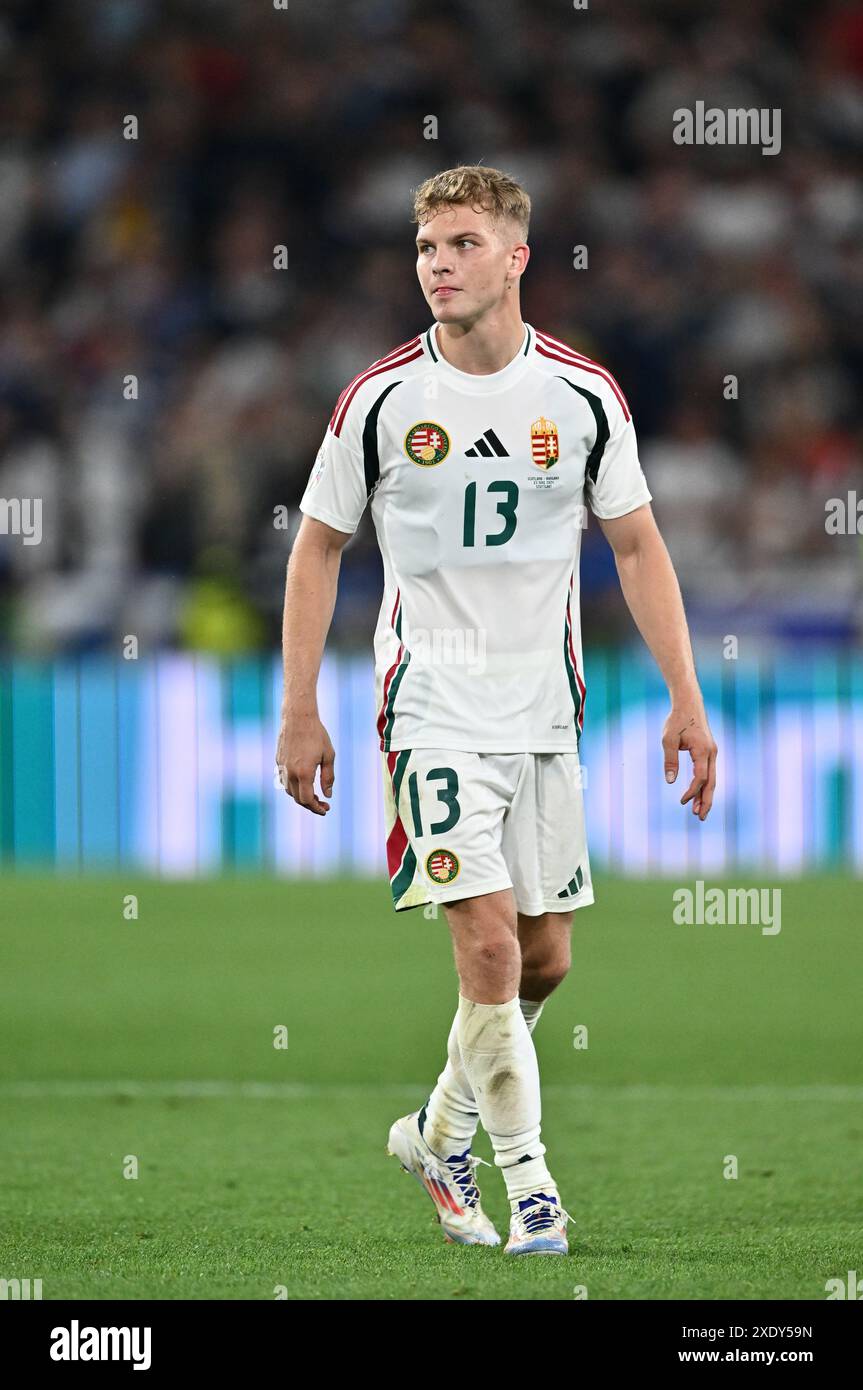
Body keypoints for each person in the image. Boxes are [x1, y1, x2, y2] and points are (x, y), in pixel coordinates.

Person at [276, 164, 717, 1256]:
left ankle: (436, 1131)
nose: (438, 265)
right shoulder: (379, 399)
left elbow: (635, 544)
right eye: (426, 248)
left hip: (542, 710)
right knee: (482, 948)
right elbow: (317, 547)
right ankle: (529, 1193)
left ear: (516, 257)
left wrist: (684, 700)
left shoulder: (578, 395)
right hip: (426, 704)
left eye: (462, 245)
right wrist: (300, 707)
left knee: (544, 957)